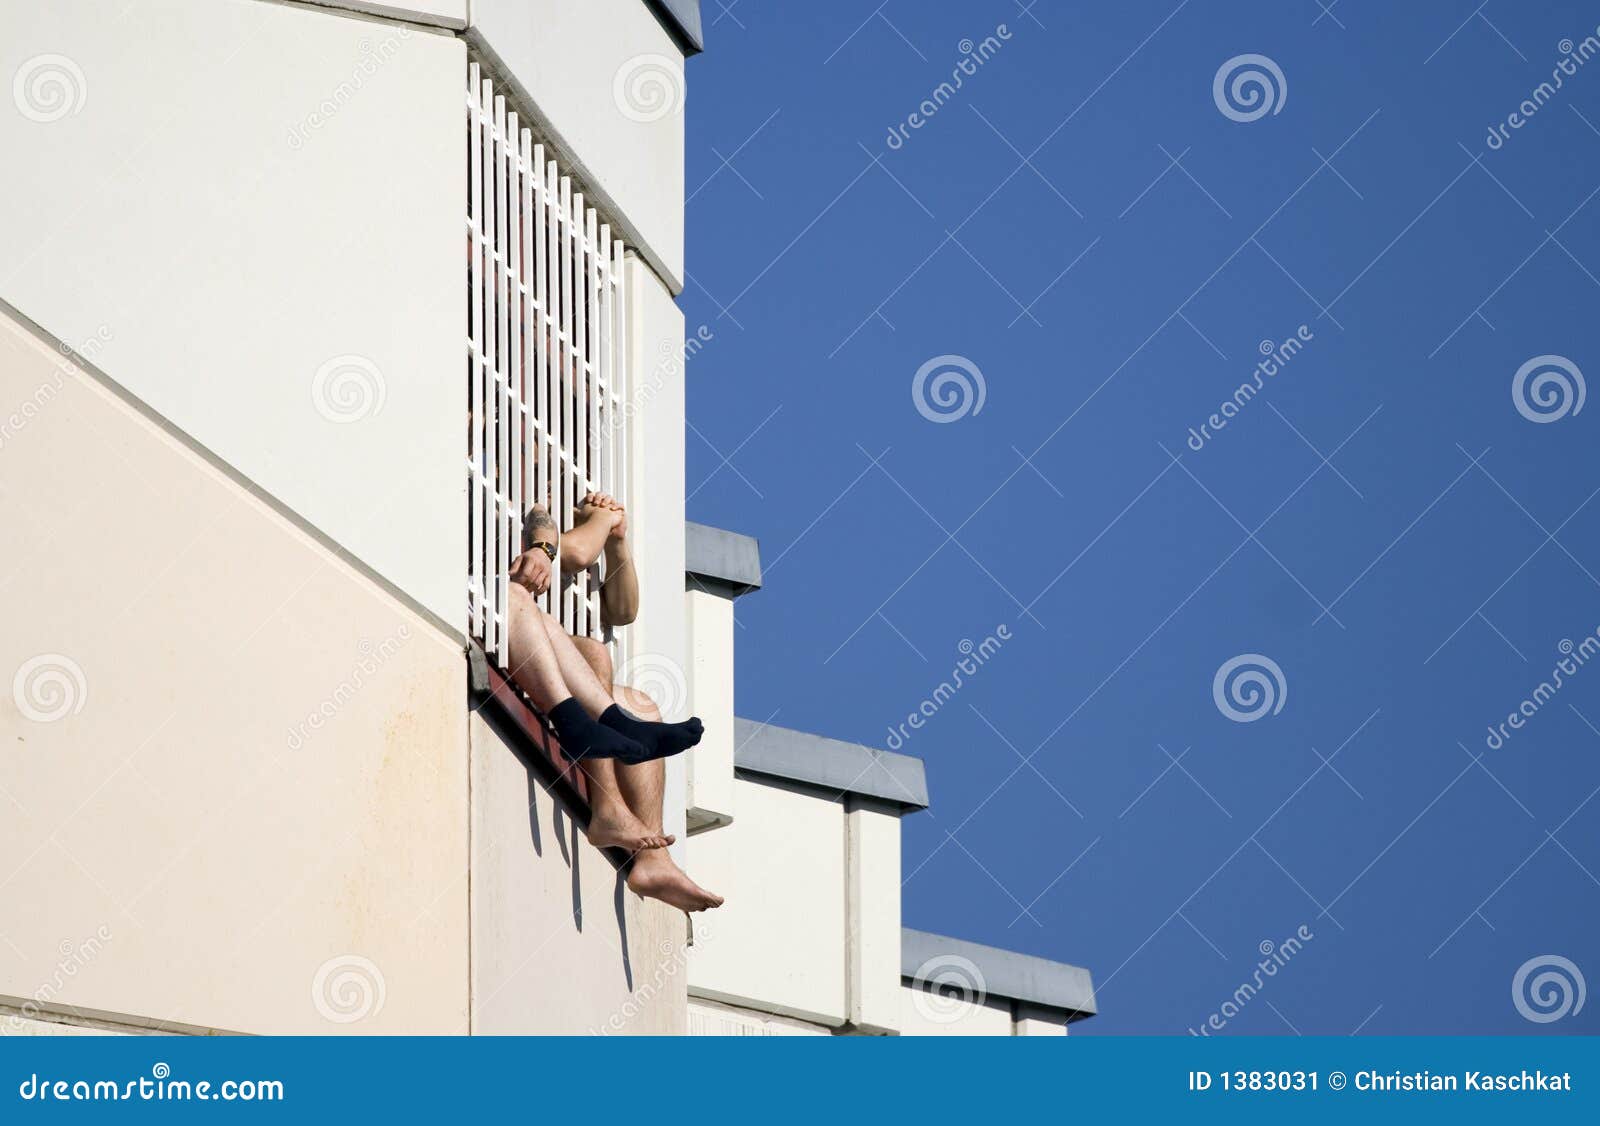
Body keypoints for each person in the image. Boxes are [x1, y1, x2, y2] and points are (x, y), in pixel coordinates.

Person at [507, 494, 724, 913]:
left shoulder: (568, 509)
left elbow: (623, 610)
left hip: (559, 660)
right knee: (595, 654)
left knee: (641, 705)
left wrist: (618, 540)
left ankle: (655, 861)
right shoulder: (528, 500)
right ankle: (607, 805)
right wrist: (603, 520)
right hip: (527, 645)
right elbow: (573, 551)